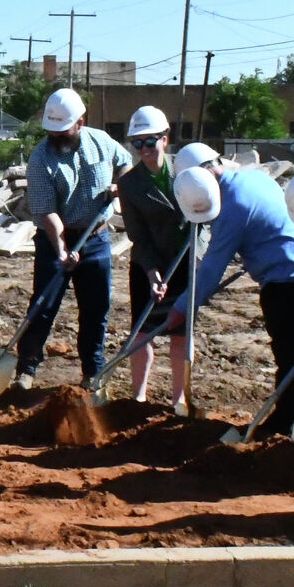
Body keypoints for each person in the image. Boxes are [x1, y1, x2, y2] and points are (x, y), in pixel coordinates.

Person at [160, 155, 294, 434]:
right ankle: (293, 420)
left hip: (288, 279)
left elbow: (212, 269)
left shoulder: (233, 204)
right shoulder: (252, 177)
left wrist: (181, 308)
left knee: (290, 355)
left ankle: (285, 424)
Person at [14, 87, 133, 390]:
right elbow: (47, 213)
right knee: (43, 306)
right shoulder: (40, 159)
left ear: (80, 122)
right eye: (52, 131)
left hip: (96, 239)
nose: (56, 136)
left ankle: (92, 373)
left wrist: (120, 185)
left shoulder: (102, 143)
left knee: (96, 310)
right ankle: (25, 372)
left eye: (62, 130)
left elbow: (125, 164)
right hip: (54, 239)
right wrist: (62, 250)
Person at [115, 105, 190, 404]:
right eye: (137, 143)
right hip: (149, 266)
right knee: (142, 331)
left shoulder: (186, 171)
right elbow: (138, 236)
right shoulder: (129, 184)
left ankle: (179, 399)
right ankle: (138, 398)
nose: (143, 149)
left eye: (149, 141)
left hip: (184, 263)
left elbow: (204, 218)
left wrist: (196, 257)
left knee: (180, 333)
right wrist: (151, 274)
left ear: (165, 138)